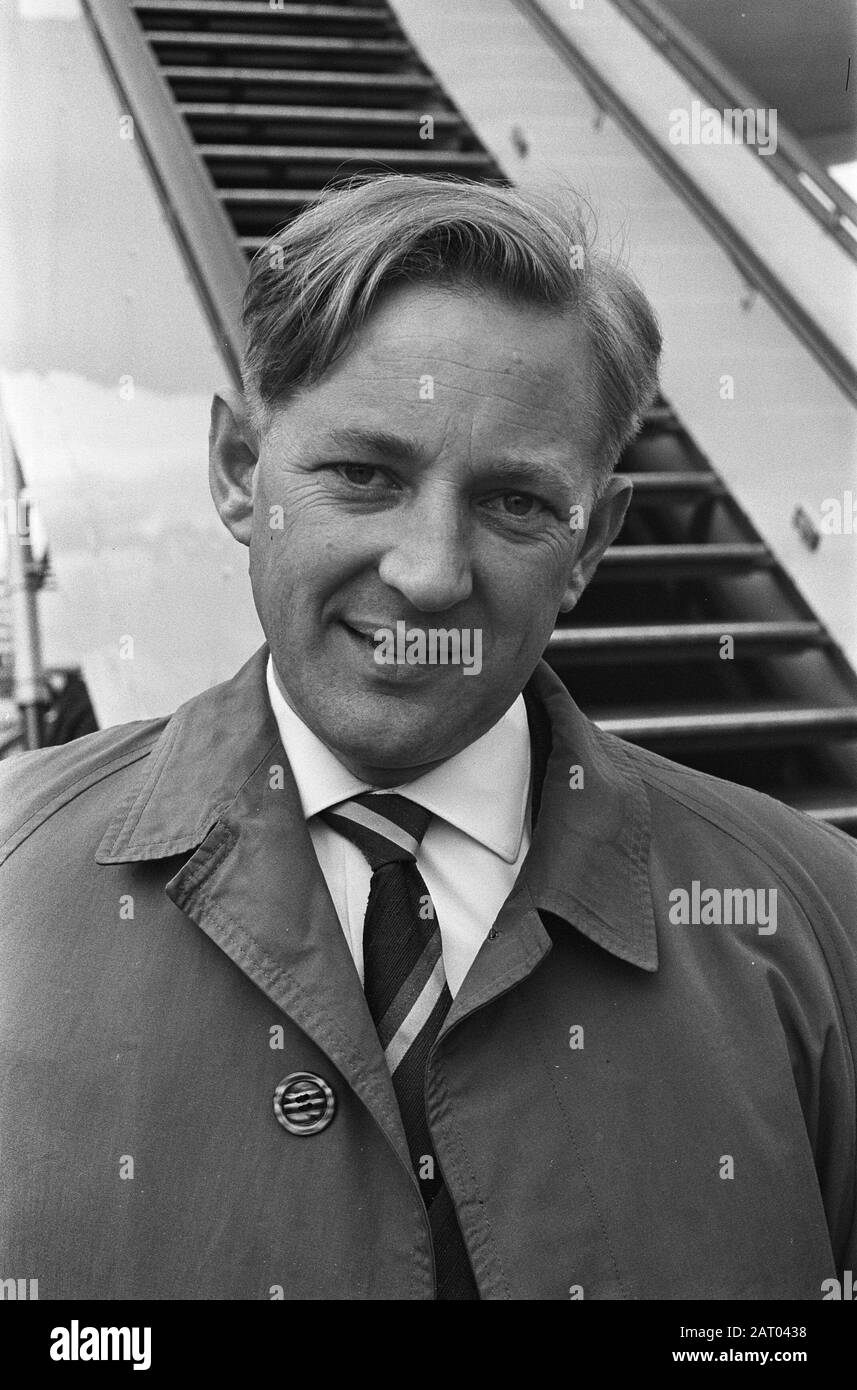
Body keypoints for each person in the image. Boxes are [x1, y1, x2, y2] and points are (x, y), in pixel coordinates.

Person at [1, 175, 855, 1301]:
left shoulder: (818, 916)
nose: (429, 573)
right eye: (364, 475)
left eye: (511, 503)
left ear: (590, 543)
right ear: (238, 473)